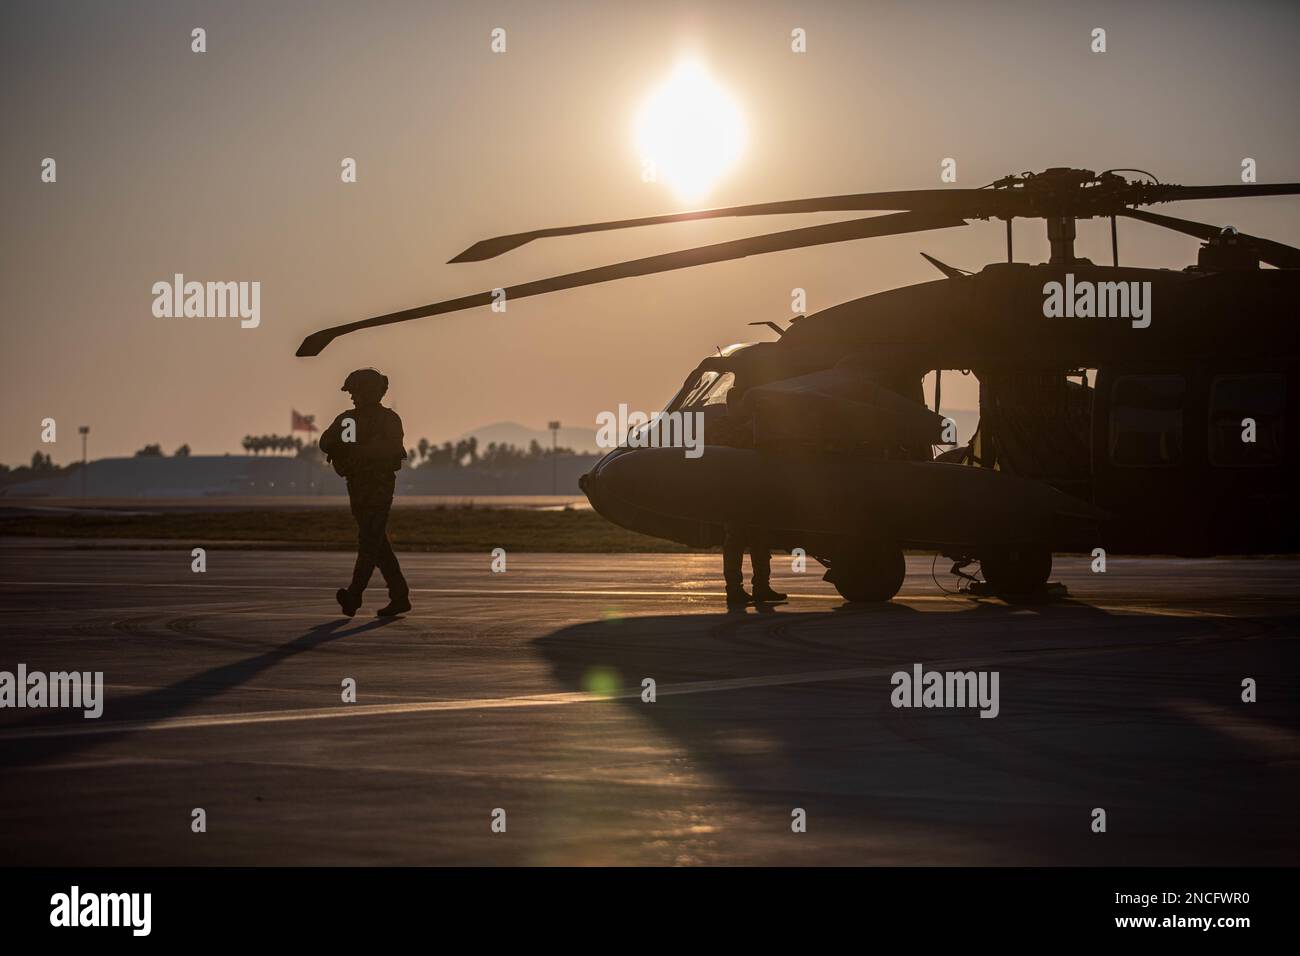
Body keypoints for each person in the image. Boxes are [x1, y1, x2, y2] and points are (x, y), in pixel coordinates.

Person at [319, 368, 410, 617]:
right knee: (376, 540)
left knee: (369, 541)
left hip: (377, 487)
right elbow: (327, 441)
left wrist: (358, 451)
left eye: (356, 391)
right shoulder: (349, 419)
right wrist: (346, 450)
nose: (352, 397)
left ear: (369, 391)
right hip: (358, 486)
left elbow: (389, 449)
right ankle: (399, 595)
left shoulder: (388, 420)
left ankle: (354, 595)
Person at [709, 399, 787, 609]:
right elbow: (733, 445)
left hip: (755, 492)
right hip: (734, 493)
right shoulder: (722, 427)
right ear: (731, 406)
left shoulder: (755, 425)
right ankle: (734, 590)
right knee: (735, 542)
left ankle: (761, 586)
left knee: (760, 542)